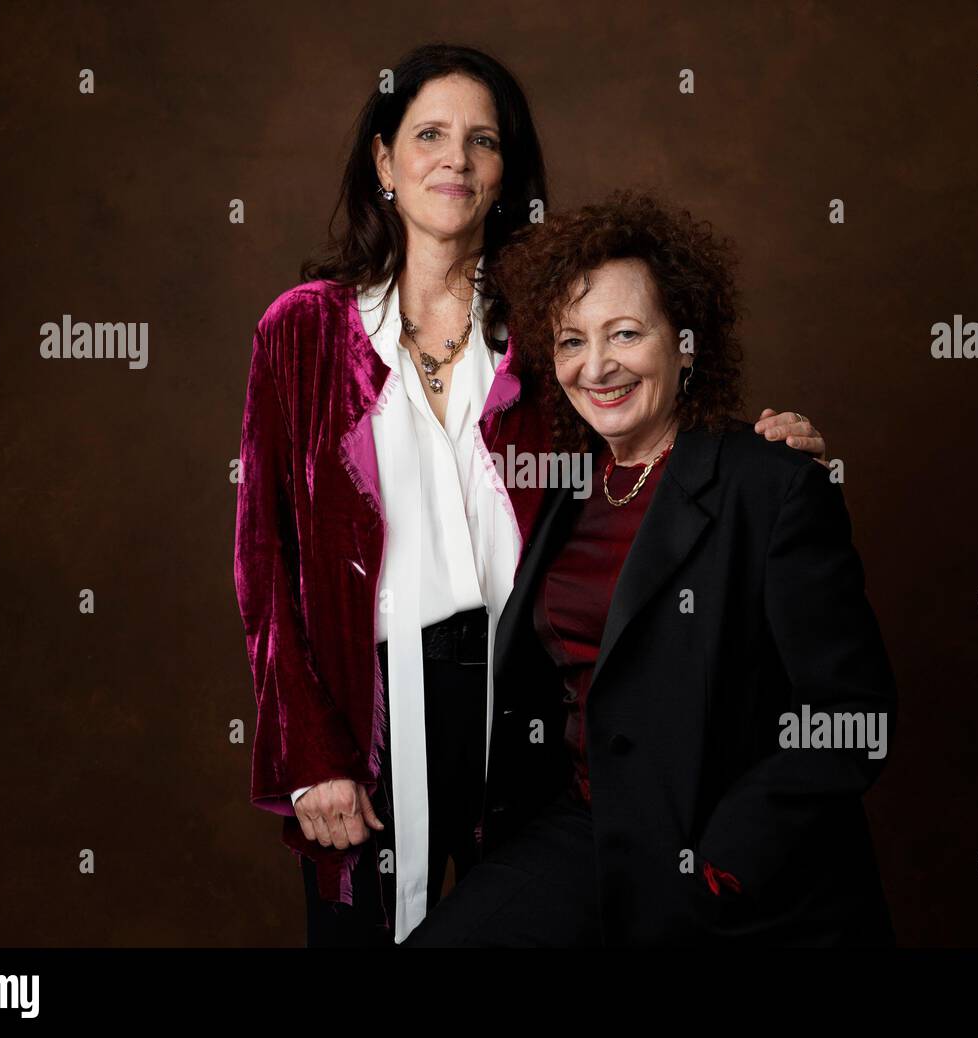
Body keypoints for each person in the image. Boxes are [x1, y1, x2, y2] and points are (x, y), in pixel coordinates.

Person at [233, 44, 830, 948]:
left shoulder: (546, 329)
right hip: (370, 712)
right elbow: (263, 561)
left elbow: (642, 412)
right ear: (384, 161)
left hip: (534, 702)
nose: (456, 159)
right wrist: (308, 757)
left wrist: (757, 450)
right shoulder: (304, 331)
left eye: (484, 140)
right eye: (429, 134)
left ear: (508, 173)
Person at [403, 191, 896, 946]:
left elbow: (853, 714)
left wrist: (728, 859)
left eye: (626, 333)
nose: (596, 365)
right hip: (584, 834)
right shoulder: (566, 486)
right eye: (571, 340)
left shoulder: (770, 483)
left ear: (685, 344)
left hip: (723, 862)